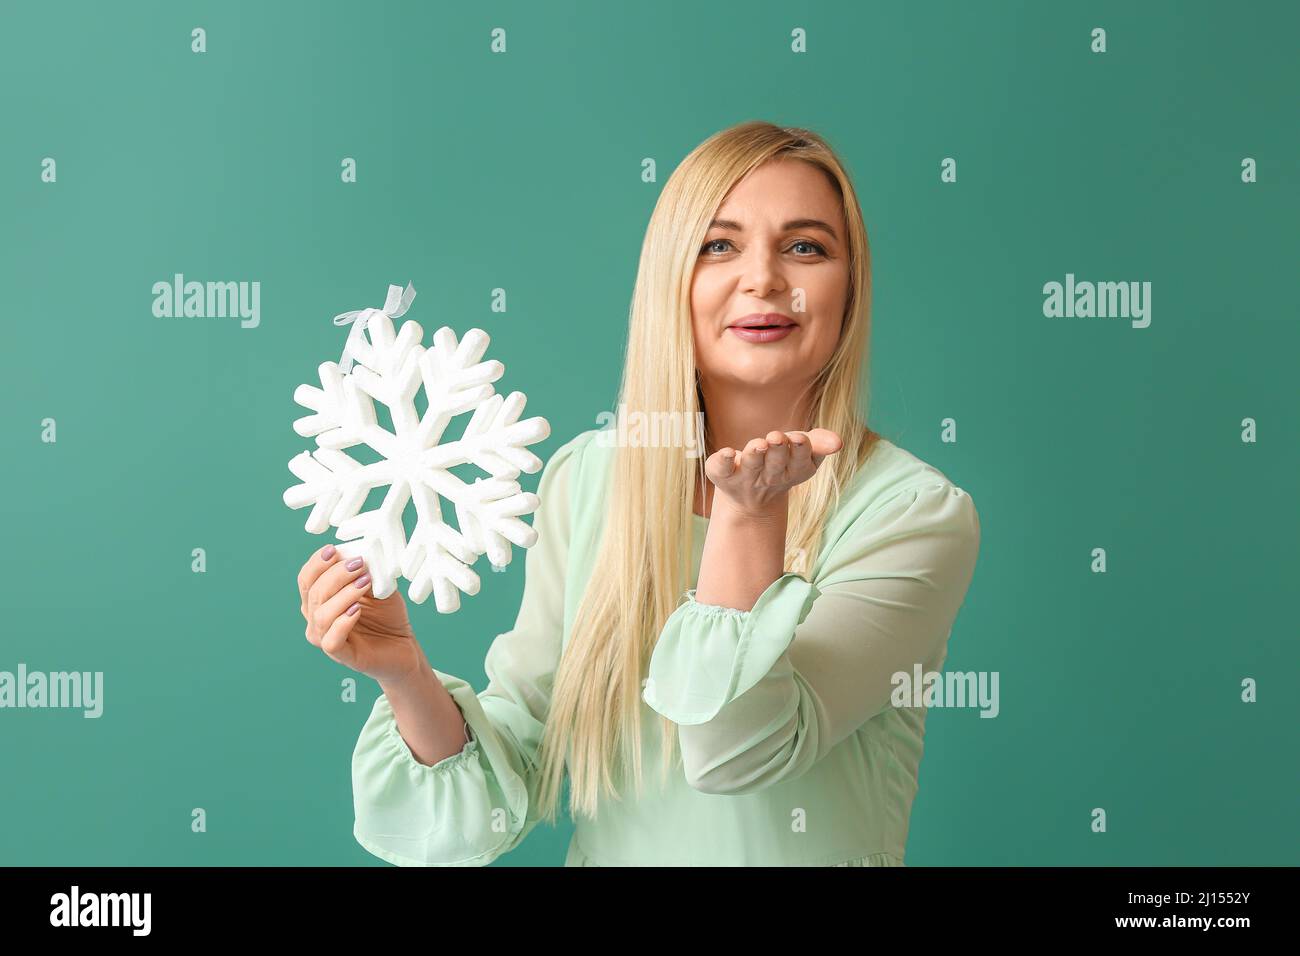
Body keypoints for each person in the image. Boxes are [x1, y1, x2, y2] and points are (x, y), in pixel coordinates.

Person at [296, 120, 981, 866]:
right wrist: (404, 672)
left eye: (806, 247)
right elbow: (504, 790)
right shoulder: (589, 481)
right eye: (719, 245)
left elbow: (736, 756)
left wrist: (747, 518)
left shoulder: (910, 514)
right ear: (671, 280)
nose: (763, 279)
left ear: (849, 289)